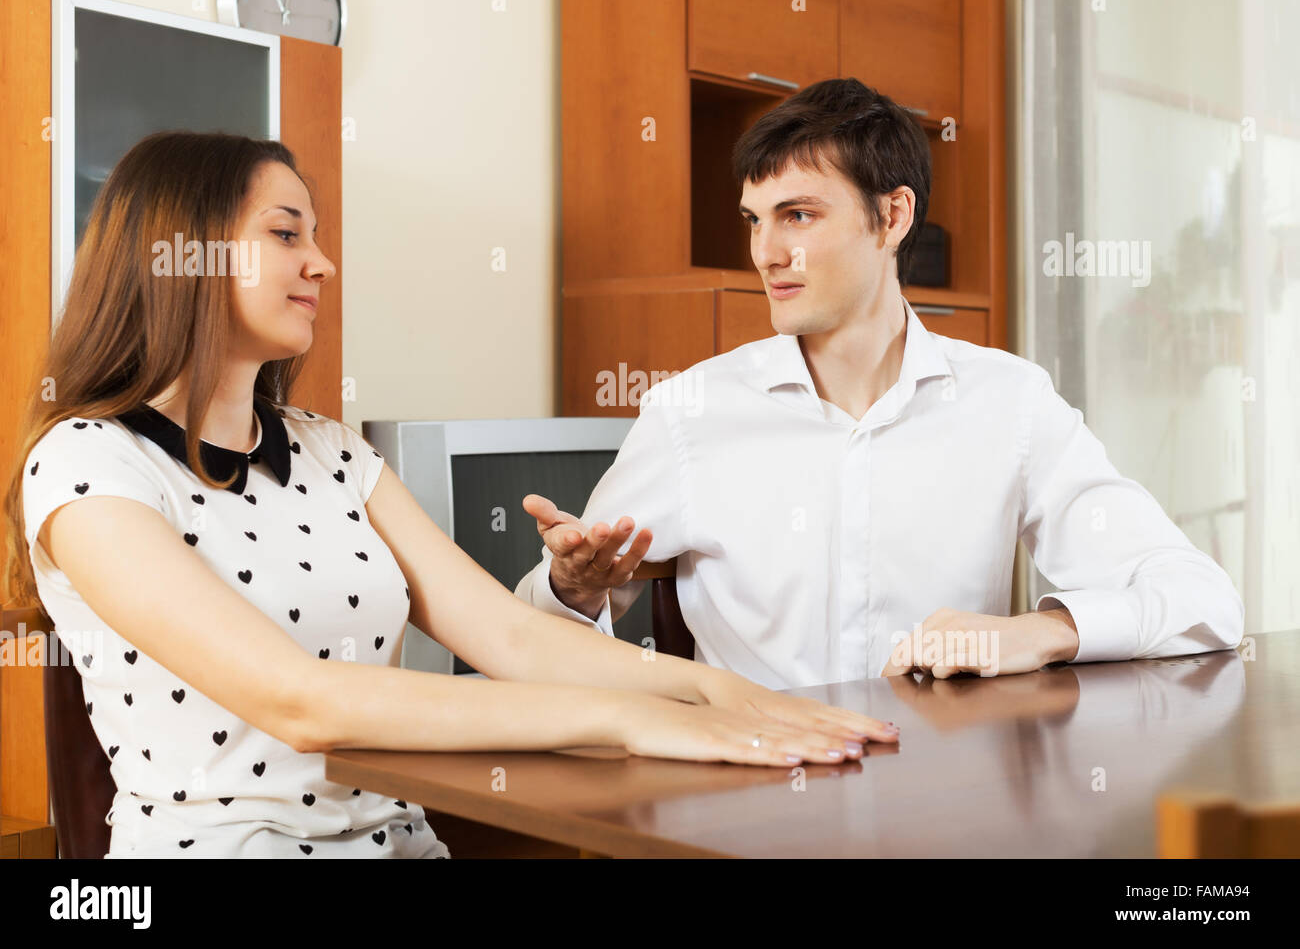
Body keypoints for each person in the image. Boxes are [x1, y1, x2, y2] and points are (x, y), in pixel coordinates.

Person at [1, 130, 898, 859]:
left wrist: (713, 692)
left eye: (313, 236)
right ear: (180, 251)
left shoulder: (329, 449)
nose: (320, 263)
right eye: (286, 234)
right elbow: (296, 698)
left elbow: (504, 632)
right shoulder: (88, 466)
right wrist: (631, 721)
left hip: (400, 843)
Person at [515, 78, 1245, 690]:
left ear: (892, 217)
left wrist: (1044, 632)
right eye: (755, 220)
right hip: (749, 820)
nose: (766, 252)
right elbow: (530, 644)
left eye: (797, 214)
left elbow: (1205, 602)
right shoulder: (689, 411)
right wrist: (573, 590)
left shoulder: (1010, 403)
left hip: (944, 813)